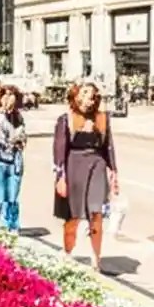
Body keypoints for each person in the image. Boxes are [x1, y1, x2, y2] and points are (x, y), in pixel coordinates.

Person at [54, 80, 119, 272]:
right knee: (73, 217)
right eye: (83, 94)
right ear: (75, 97)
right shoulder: (66, 119)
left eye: (91, 95)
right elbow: (59, 150)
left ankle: (96, 259)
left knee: (96, 212)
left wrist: (113, 171)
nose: (88, 99)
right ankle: (67, 251)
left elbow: (108, 146)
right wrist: (60, 176)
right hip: (74, 166)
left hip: (97, 165)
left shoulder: (102, 118)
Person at [0, 85, 27, 232]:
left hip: (14, 161)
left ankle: (12, 228)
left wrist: (20, 141)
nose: (9, 102)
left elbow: (23, 138)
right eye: (6, 98)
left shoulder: (19, 117)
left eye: (12, 99)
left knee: (12, 199)